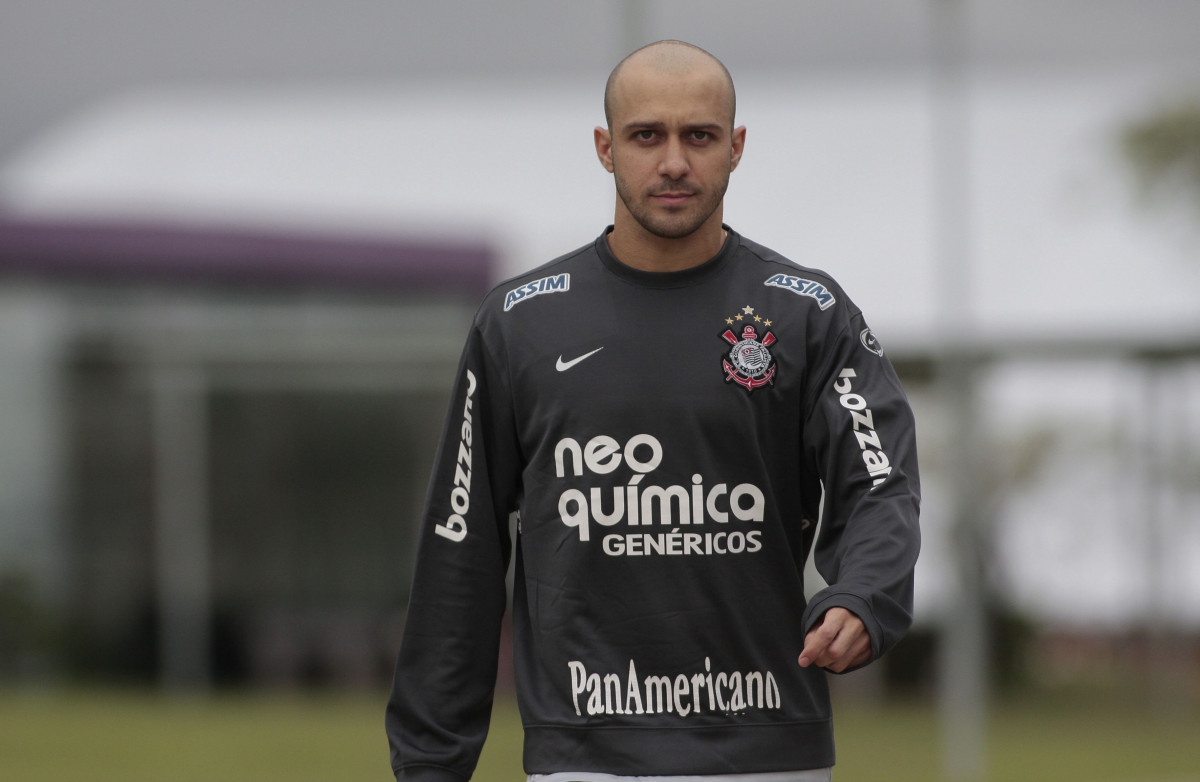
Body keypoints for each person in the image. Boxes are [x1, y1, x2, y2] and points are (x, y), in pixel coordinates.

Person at [386, 40, 920, 782]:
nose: (674, 162)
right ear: (606, 148)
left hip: (767, 749)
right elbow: (461, 549)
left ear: (735, 148)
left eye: (698, 136)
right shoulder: (519, 325)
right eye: (647, 136)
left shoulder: (807, 315)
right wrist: (429, 763)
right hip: (585, 754)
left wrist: (867, 594)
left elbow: (880, 482)